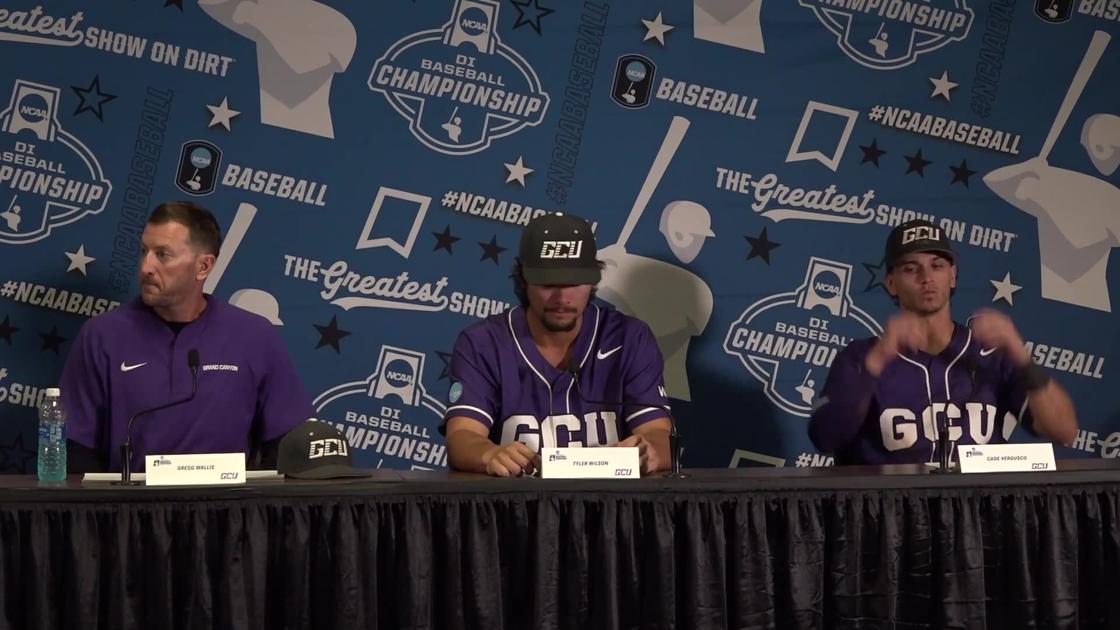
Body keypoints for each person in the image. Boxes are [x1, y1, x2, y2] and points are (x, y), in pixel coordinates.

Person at [60, 201, 314, 472]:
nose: (146, 267)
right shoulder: (102, 335)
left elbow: (288, 441)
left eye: (163, 254)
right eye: (144, 251)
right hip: (130, 508)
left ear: (203, 266)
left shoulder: (255, 336)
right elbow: (76, 446)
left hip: (227, 508)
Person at [809, 219, 1078, 465]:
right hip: (889, 513)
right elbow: (825, 437)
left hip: (978, 511)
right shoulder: (860, 356)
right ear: (891, 283)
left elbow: (1064, 431)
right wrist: (878, 360)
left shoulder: (992, 354)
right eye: (911, 269)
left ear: (952, 275)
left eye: (937, 266)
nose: (926, 277)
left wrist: (1021, 356)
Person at [443, 213, 673, 476]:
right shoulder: (483, 342)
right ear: (524, 280)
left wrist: (649, 452)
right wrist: (488, 454)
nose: (562, 297)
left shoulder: (629, 338)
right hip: (515, 507)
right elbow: (462, 436)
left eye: (573, 282)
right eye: (548, 283)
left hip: (610, 507)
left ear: (592, 281)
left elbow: (658, 433)